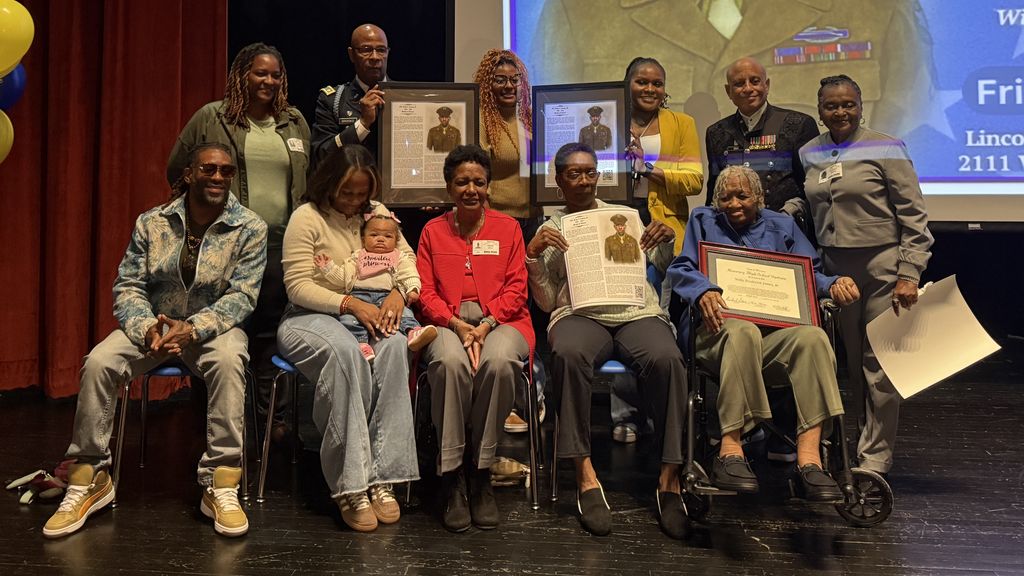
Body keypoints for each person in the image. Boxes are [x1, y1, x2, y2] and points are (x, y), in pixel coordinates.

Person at [44, 143, 268, 539]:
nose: (218, 177)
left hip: (212, 328)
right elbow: (128, 285)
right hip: (154, 327)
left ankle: (221, 481)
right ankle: (89, 476)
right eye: (209, 169)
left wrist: (193, 328)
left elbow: (242, 296)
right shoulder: (152, 222)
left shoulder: (250, 227)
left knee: (230, 360)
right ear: (189, 174)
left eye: (226, 171)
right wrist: (146, 327)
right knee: (99, 362)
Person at [668, 165, 860, 500]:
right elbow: (682, 267)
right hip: (714, 333)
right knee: (742, 332)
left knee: (813, 338)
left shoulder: (782, 225)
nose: (733, 204)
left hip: (771, 336)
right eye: (725, 198)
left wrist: (834, 284)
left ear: (760, 197)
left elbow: (809, 274)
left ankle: (810, 458)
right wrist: (702, 290)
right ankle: (730, 450)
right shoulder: (703, 220)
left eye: (742, 196)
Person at [527, 142, 689, 539]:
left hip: (635, 312)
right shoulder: (551, 228)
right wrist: (533, 257)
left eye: (590, 172)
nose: (583, 180)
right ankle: (585, 474)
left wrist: (665, 240)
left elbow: (660, 267)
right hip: (579, 315)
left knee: (668, 358)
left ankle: (670, 478)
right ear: (559, 179)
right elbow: (546, 301)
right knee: (567, 353)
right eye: (574, 174)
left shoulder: (625, 217)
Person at [166, 42, 309, 447]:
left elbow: (307, 178)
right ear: (241, 74)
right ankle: (216, 424)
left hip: (281, 248)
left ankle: (269, 422)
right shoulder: (211, 117)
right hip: (226, 246)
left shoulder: (294, 121)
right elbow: (177, 169)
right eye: (260, 72)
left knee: (270, 336)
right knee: (220, 331)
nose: (269, 81)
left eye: (276, 74)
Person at [530, 0, 936, 138]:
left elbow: (911, 133)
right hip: (655, 230)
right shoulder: (580, 12)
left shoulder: (877, 9)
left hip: (802, 231)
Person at [277, 144, 418, 532]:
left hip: (369, 314)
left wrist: (399, 293)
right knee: (345, 353)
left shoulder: (376, 212)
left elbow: (405, 258)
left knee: (395, 347)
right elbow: (297, 287)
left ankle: (383, 477)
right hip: (308, 317)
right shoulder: (307, 217)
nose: (355, 201)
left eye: (362, 193)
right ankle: (350, 484)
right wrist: (349, 304)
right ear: (328, 184)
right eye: (347, 193)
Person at [799, 75, 933, 476]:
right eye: (831, 106)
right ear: (820, 110)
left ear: (860, 106)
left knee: (880, 367)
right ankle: (854, 444)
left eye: (848, 104)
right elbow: (810, 203)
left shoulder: (886, 147)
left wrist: (909, 273)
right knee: (850, 366)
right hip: (834, 272)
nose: (840, 112)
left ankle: (875, 458)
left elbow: (914, 216)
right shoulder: (809, 151)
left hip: (882, 268)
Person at [416, 145, 534, 532]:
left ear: (489, 186)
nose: (471, 189)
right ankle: (452, 474)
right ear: (449, 187)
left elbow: (517, 288)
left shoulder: (508, 228)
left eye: (479, 182)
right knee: (449, 362)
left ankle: (481, 471)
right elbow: (425, 291)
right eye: (462, 182)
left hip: (502, 320)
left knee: (499, 362)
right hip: (447, 321)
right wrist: (454, 323)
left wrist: (486, 324)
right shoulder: (432, 231)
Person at [473, 48, 545, 435]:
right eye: (499, 79)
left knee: (534, 308)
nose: (507, 86)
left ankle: (532, 391)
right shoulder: (480, 122)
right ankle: (506, 396)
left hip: (532, 222)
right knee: (503, 308)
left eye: (513, 79)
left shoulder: (531, 118)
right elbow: (475, 179)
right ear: (487, 84)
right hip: (498, 225)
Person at [313, 213, 438, 362]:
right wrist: (328, 268)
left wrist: (413, 289)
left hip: (386, 297)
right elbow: (343, 278)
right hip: (359, 297)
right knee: (348, 319)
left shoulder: (399, 256)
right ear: (363, 239)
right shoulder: (357, 256)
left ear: (396, 241)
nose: (380, 239)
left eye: (388, 236)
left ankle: (413, 331)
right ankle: (361, 345)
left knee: (403, 313)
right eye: (374, 235)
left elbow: (409, 273)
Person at [704, 57, 819, 216]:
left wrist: (790, 212)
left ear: (767, 85)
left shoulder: (799, 124)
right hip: (733, 227)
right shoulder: (716, 132)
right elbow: (714, 193)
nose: (748, 88)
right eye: (739, 83)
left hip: (785, 224)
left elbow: (814, 188)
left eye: (755, 81)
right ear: (728, 91)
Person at [624, 57, 704, 254]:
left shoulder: (682, 124)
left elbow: (694, 181)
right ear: (627, 84)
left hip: (663, 226)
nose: (650, 89)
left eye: (657, 84)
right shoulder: (611, 121)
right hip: (617, 217)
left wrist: (647, 170)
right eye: (642, 82)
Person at [311, 24, 390, 170]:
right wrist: (362, 124)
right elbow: (322, 156)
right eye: (366, 50)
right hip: (351, 183)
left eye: (381, 50)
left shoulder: (405, 98)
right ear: (351, 54)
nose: (375, 57)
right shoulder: (333, 100)